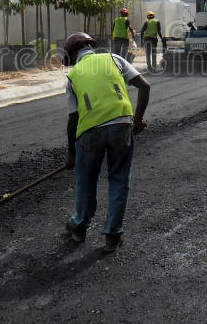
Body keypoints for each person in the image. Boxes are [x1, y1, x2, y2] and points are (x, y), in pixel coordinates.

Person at [62, 32, 150, 253]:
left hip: (89, 132)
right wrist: (137, 120)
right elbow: (145, 87)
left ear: (73, 53)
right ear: (91, 46)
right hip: (121, 125)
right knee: (119, 179)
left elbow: (73, 120)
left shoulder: (73, 76)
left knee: (86, 181)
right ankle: (112, 235)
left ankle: (79, 226)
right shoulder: (113, 58)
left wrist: (71, 153)